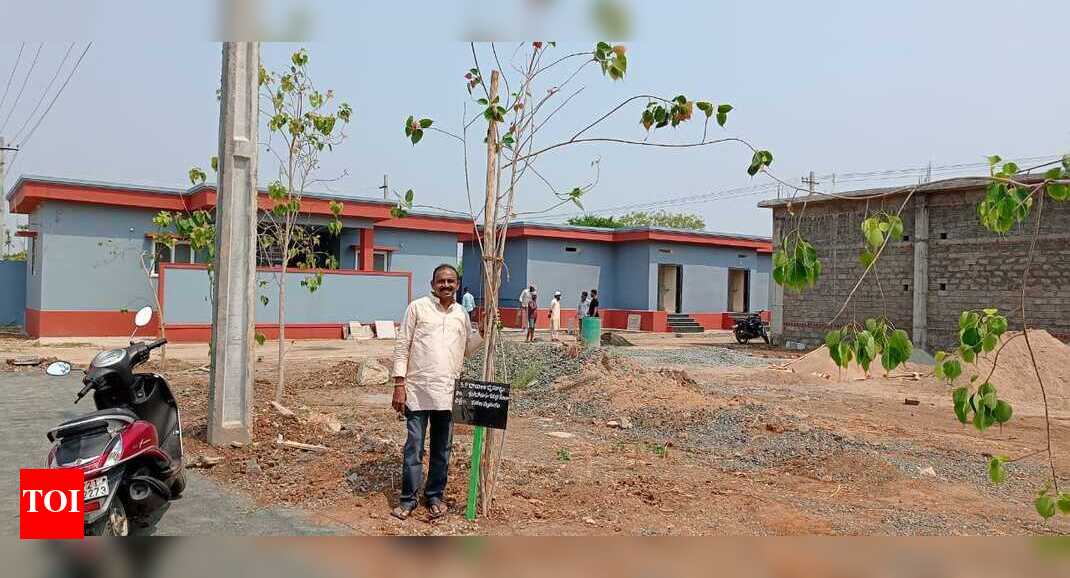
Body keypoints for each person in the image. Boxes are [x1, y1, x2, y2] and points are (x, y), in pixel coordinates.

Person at [391, 264, 482, 521]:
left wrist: (483, 334)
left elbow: (466, 350)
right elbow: (402, 346)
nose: (446, 285)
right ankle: (408, 499)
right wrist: (399, 384)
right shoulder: (417, 308)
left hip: (448, 391)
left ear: (457, 284)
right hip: (418, 391)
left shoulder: (461, 313)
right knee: (414, 447)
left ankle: (433, 495)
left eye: (451, 281)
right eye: (441, 281)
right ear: (432, 284)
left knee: (443, 448)